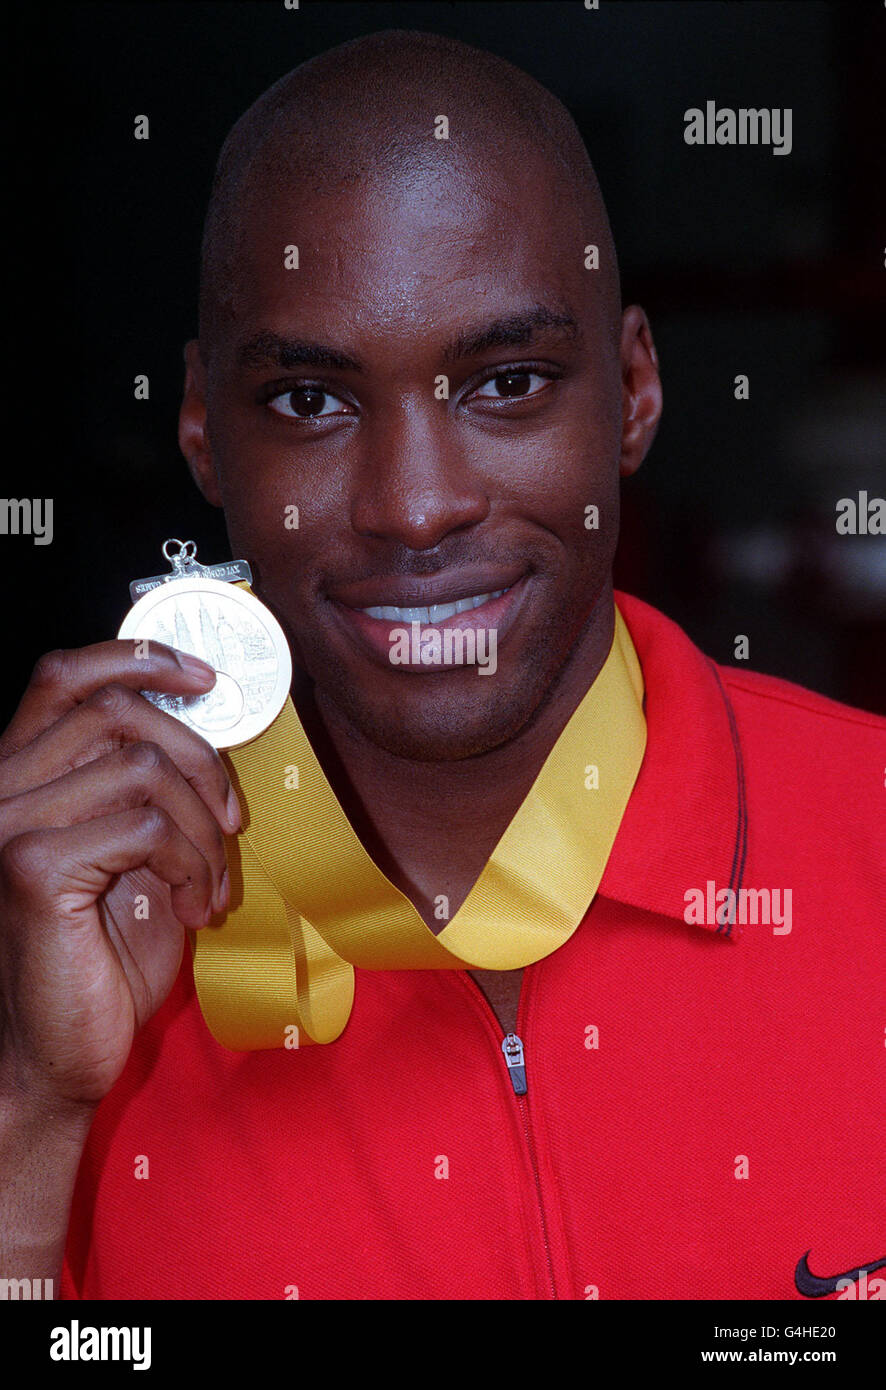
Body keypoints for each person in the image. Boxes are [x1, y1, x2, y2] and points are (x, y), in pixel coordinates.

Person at [1, 30, 883, 1302]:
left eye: (508, 381)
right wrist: (34, 1109)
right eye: (312, 400)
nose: (414, 506)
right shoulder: (80, 936)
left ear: (632, 390)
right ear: (203, 430)